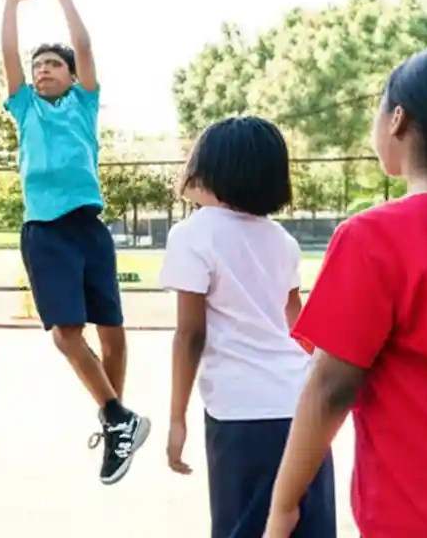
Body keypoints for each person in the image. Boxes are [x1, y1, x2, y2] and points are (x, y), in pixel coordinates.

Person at [266, 41, 427, 538]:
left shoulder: (378, 238)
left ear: (398, 120)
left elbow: (330, 388)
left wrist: (283, 506)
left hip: (420, 519)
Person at [1, 0, 149, 484]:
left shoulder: (84, 106)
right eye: (37, 65)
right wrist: (13, 2)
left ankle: (117, 418)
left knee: (113, 332)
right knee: (67, 336)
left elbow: (82, 45)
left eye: (51, 65)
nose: (42, 70)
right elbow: (7, 56)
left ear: (69, 75)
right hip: (45, 231)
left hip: (88, 228)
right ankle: (118, 416)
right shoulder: (24, 110)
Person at [159, 117, 335, 538]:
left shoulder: (191, 235)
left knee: (243, 526)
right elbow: (300, 325)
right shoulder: (282, 240)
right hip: (301, 404)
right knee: (308, 525)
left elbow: (190, 335)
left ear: (214, 170)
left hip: (241, 413)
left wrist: (176, 418)